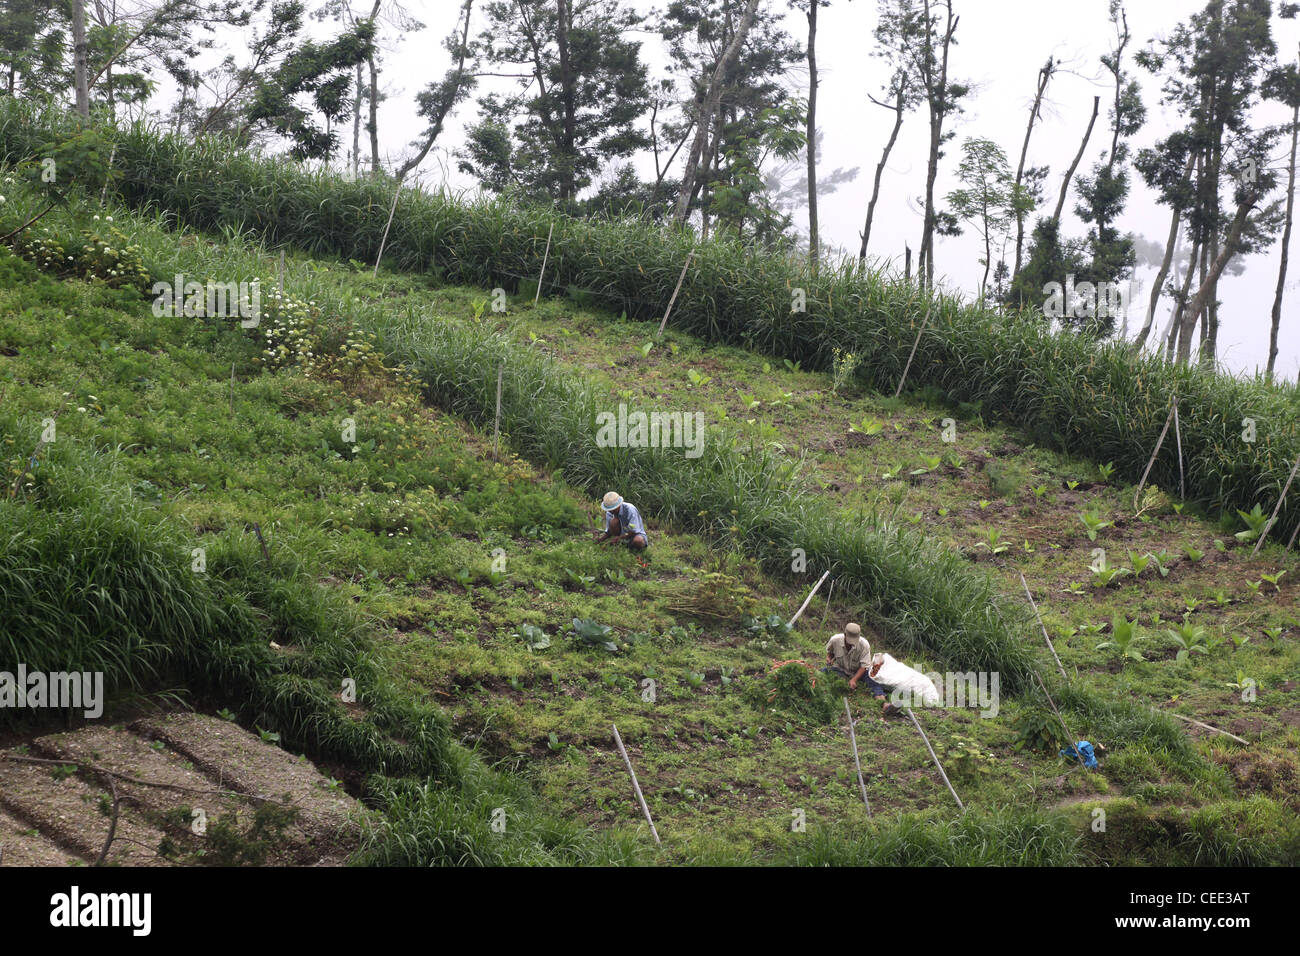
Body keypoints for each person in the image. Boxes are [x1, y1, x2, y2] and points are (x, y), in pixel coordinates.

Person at [824, 623, 890, 713]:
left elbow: (864, 666)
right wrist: (829, 659)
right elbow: (830, 652)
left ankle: (883, 703)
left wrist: (854, 679)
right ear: (844, 635)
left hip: (859, 671)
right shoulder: (835, 640)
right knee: (824, 672)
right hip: (840, 669)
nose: (851, 644)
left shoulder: (864, 645)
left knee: (872, 679)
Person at [868, 652, 941, 716]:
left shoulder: (886, 661)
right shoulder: (872, 672)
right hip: (886, 679)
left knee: (921, 681)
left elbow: (898, 668)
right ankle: (887, 705)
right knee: (876, 682)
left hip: (907, 676)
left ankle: (891, 705)